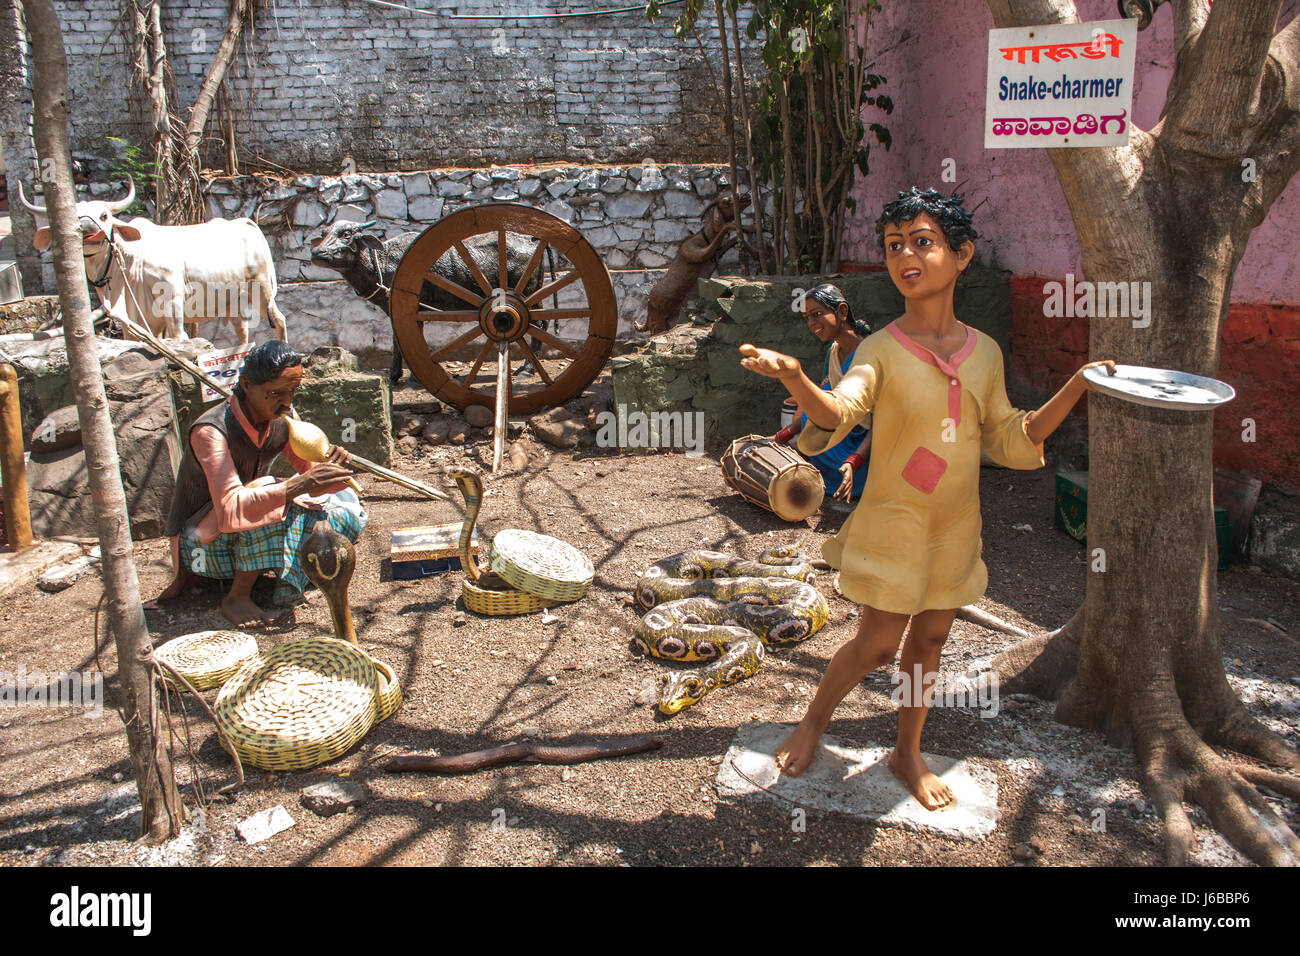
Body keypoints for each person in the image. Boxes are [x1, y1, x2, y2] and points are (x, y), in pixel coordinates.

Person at [739, 187, 1115, 810]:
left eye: (922, 241)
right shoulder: (880, 351)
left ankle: (906, 750)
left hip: (955, 527)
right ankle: (812, 723)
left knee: (931, 643)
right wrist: (795, 377)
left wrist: (1077, 385)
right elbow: (837, 412)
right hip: (894, 522)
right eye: (893, 246)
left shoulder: (984, 353)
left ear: (961, 254)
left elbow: (1009, 433)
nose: (905, 256)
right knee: (878, 644)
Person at [156, 341, 365, 627]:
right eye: (275, 393)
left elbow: (311, 483)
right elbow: (230, 509)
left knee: (343, 516)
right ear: (245, 384)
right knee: (268, 489)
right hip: (203, 545)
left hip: (242, 536)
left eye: (292, 391)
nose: (287, 402)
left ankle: (281, 577)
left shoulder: (284, 419)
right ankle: (237, 597)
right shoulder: (210, 431)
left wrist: (330, 472)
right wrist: (294, 487)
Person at [772, 283, 872, 503]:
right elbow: (818, 402)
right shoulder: (834, 352)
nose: (811, 323)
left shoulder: (871, 355)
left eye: (816, 314)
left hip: (861, 449)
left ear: (842, 311)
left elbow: (882, 422)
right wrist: (780, 437)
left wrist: (854, 462)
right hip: (832, 439)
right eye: (807, 317)